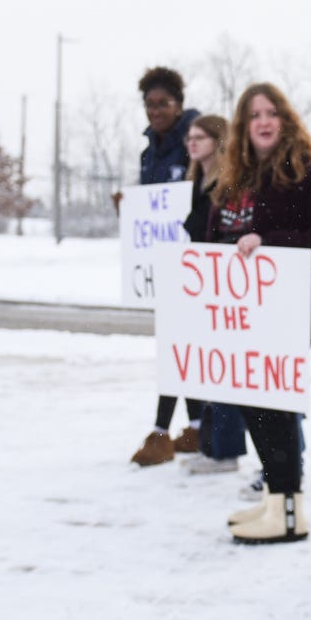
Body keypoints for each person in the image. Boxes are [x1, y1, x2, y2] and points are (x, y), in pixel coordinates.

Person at [211, 82, 311, 543]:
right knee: (253, 400)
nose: (263, 121)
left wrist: (271, 244)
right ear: (243, 126)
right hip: (239, 310)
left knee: (275, 403)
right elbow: (214, 234)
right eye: (254, 115)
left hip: (290, 307)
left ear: (285, 120)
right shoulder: (234, 178)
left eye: (271, 113)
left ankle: (290, 510)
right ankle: (274, 496)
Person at [128, 66, 201, 467]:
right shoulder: (148, 153)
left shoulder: (195, 141)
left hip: (195, 262)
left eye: (163, 104)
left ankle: (162, 431)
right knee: (178, 346)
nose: (155, 111)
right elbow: (150, 207)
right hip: (165, 264)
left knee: (180, 347)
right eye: (149, 104)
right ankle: (196, 425)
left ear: (179, 104)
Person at [177, 116, 251, 476]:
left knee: (225, 369)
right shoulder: (194, 182)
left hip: (225, 284)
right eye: (189, 137)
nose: (192, 143)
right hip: (201, 283)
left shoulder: (227, 182)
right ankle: (212, 446)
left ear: (218, 141)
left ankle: (226, 449)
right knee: (207, 368)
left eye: (200, 137)